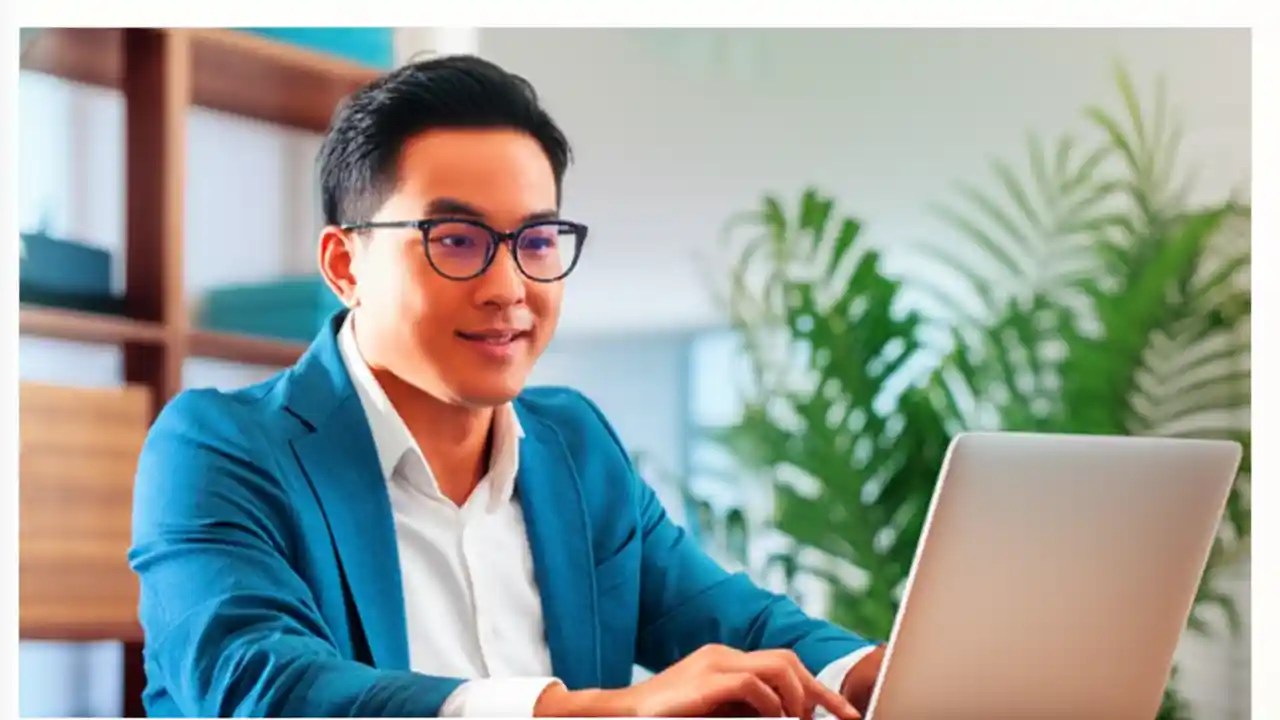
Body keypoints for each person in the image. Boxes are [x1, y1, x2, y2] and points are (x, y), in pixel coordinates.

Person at [130, 54, 887, 718]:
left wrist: (877, 672)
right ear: (344, 265)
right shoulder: (221, 448)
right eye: (456, 240)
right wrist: (593, 711)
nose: (509, 286)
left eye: (536, 241)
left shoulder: (574, 446)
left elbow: (736, 625)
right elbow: (262, 687)